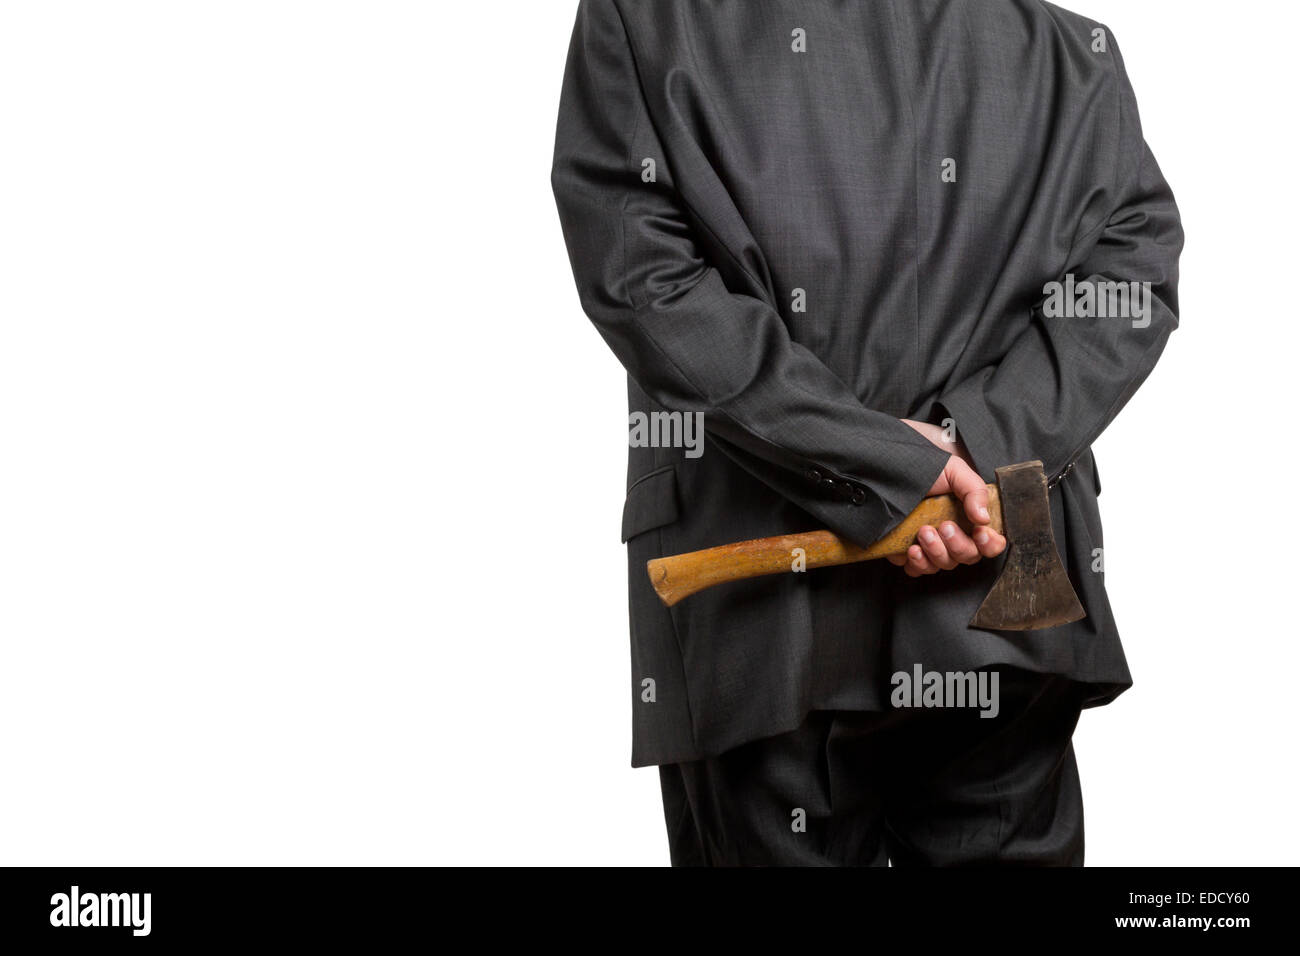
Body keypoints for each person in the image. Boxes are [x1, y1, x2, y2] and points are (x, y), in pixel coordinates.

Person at [551, 0, 1181, 866]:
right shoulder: (1072, 49)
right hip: (1001, 587)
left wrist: (889, 469)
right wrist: (978, 451)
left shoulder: (647, 17)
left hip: (762, 625)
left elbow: (645, 285)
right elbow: (1129, 278)